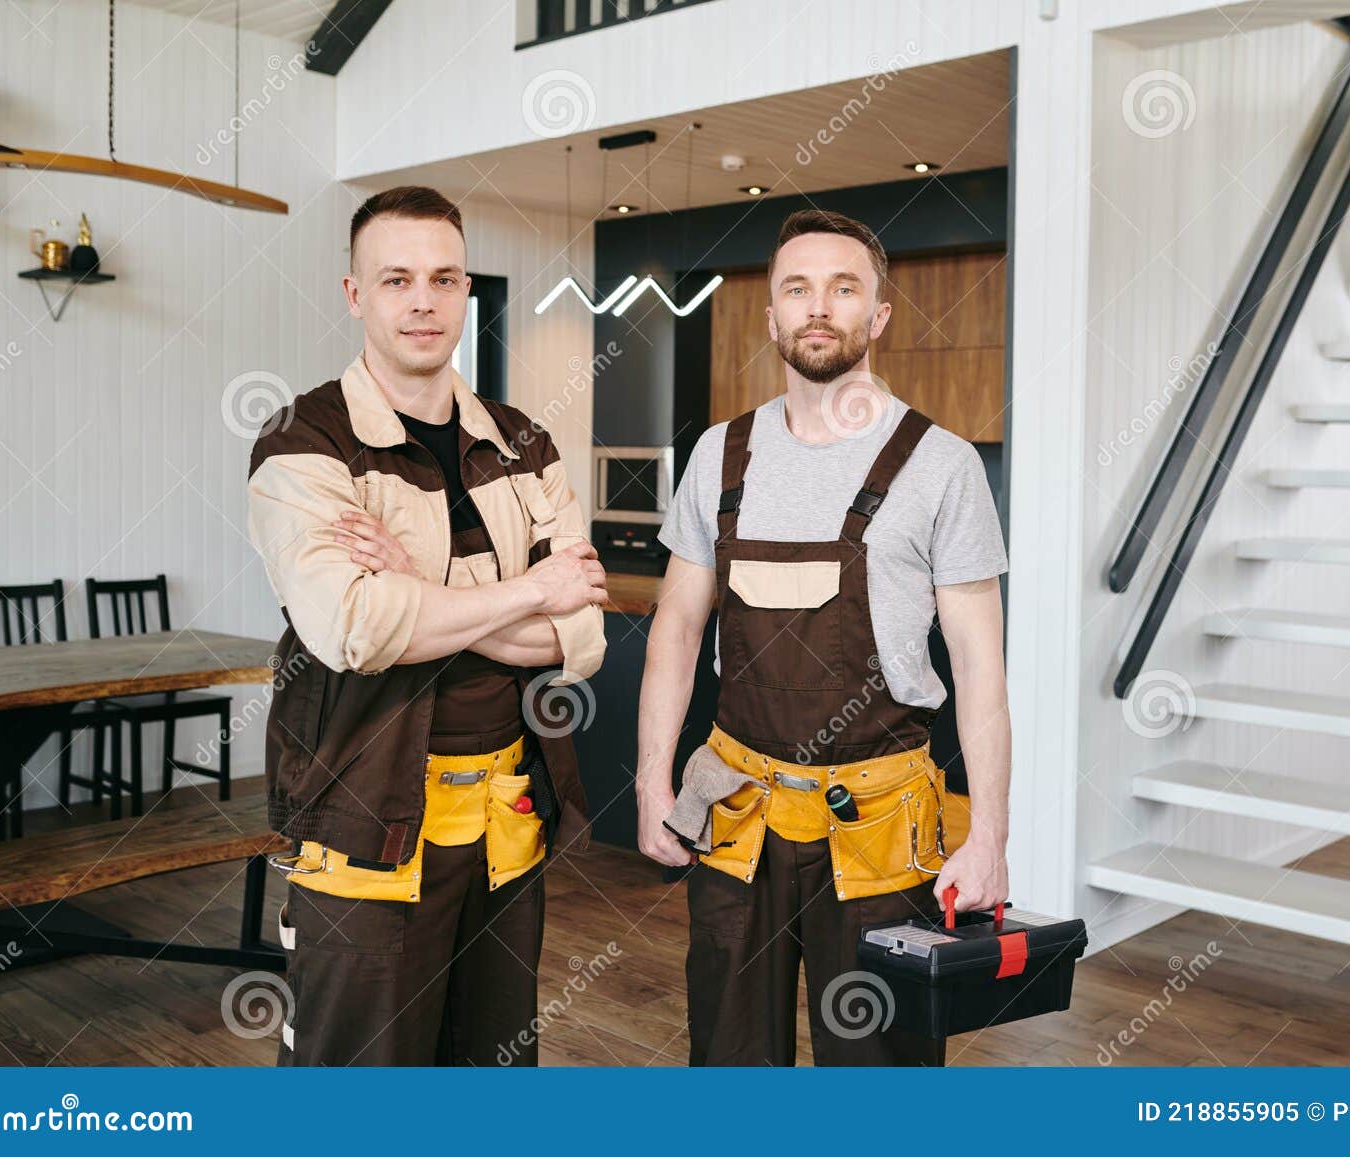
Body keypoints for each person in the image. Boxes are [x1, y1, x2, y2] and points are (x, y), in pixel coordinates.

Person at [636, 208, 1011, 1066]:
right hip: (737, 813)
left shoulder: (942, 463)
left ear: (877, 315)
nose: (818, 306)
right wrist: (653, 780)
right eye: (797, 288)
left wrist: (988, 834)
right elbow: (676, 634)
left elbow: (981, 671)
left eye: (843, 289)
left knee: (880, 1074)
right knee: (729, 1066)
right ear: (771, 315)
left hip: (882, 829)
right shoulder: (718, 455)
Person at [245, 185, 608, 1066]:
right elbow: (356, 629)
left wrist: (415, 585)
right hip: (365, 813)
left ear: (465, 291)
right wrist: (528, 590)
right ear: (354, 293)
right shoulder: (304, 439)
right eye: (396, 278)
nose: (423, 301)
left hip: (506, 816)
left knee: (491, 1068)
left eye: (444, 279)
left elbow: (580, 639)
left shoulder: (524, 441)